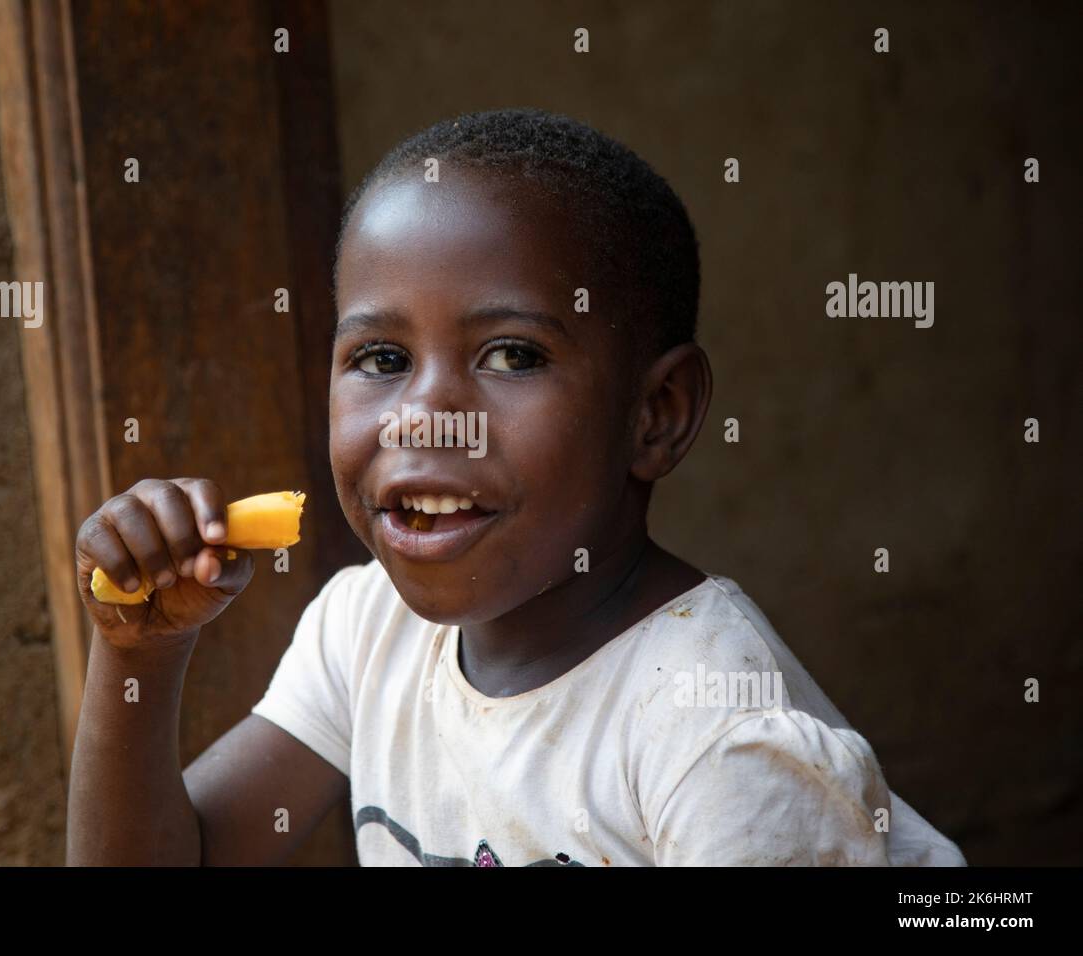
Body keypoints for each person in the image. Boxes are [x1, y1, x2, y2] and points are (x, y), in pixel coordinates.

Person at [66, 107, 965, 866]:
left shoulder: (717, 741)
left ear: (656, 414)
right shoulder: (364, 632)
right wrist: (138, 654)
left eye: (513, 356)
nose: (424, 418)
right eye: (381, 358)